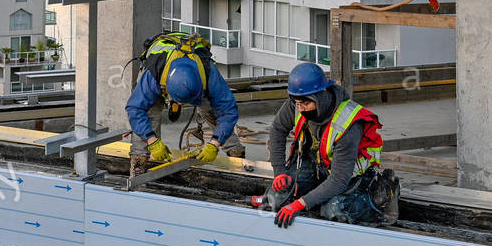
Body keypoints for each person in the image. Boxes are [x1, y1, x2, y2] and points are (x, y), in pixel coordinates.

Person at [264, 62, 399, 228]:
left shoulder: (348, 123)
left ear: (319, 97)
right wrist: (279, 172)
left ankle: (383, 195)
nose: (300, 109)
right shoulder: (298, 101)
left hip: (349, 175)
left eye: (305, 104)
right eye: (297, 104)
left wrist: (300, 203)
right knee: (277, 198)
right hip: (316, 164)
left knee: (333, 210)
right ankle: (316, 191)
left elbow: (339, 180)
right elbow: (278, 130)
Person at [126, 31, 241, 169]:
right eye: (178, 101)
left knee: (211, 110)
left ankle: (235, 151)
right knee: (150, 112)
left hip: (193, 78)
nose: (181, 105)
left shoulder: (209, 73)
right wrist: (152, 140)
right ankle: (139, 160)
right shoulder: (153, 73)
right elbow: (135, 109)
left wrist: (214, 144)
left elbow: (228, 111)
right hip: (160, 74)